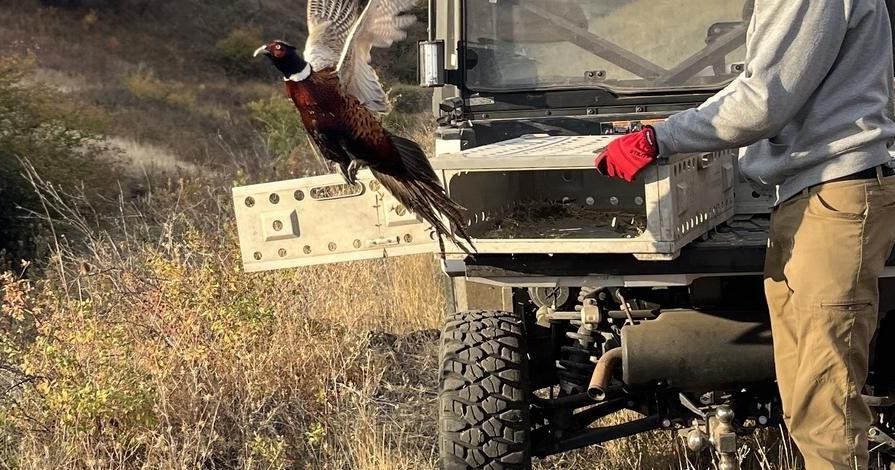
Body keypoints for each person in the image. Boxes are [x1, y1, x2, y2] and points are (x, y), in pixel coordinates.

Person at [595, 0, 895, 468]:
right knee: (803, 392)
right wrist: (663, 129)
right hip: (811, 194)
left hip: (834, 192)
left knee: (826, 400)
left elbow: (762, 102)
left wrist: (660, 139)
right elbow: (755, 86)